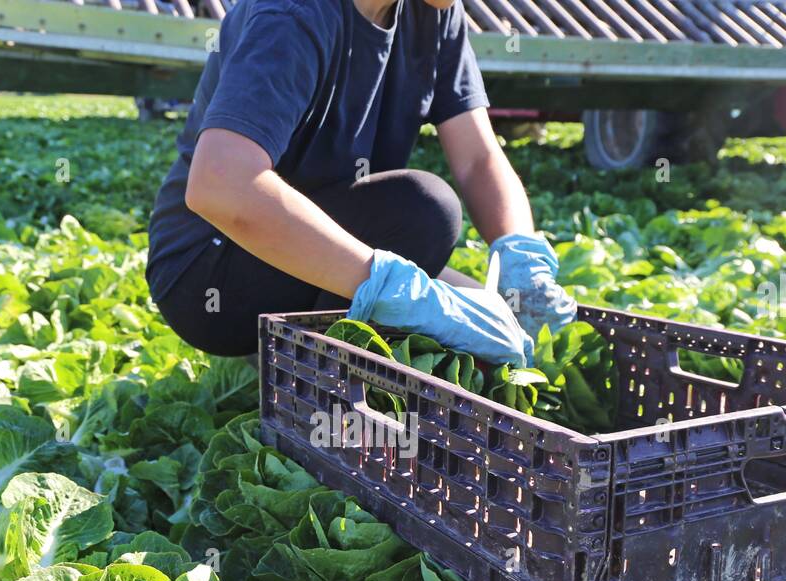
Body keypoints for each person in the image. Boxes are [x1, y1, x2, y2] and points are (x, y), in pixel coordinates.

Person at [146, 0, 575, 367]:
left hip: (316, 240)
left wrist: (521, 255)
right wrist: (395, 288)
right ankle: (308, 376)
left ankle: (309, 347)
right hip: (207, 273)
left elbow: (479, 159)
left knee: (497, 316)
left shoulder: (433, 12)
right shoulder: (292, 14)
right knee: (425, 211)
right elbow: (219, 185)